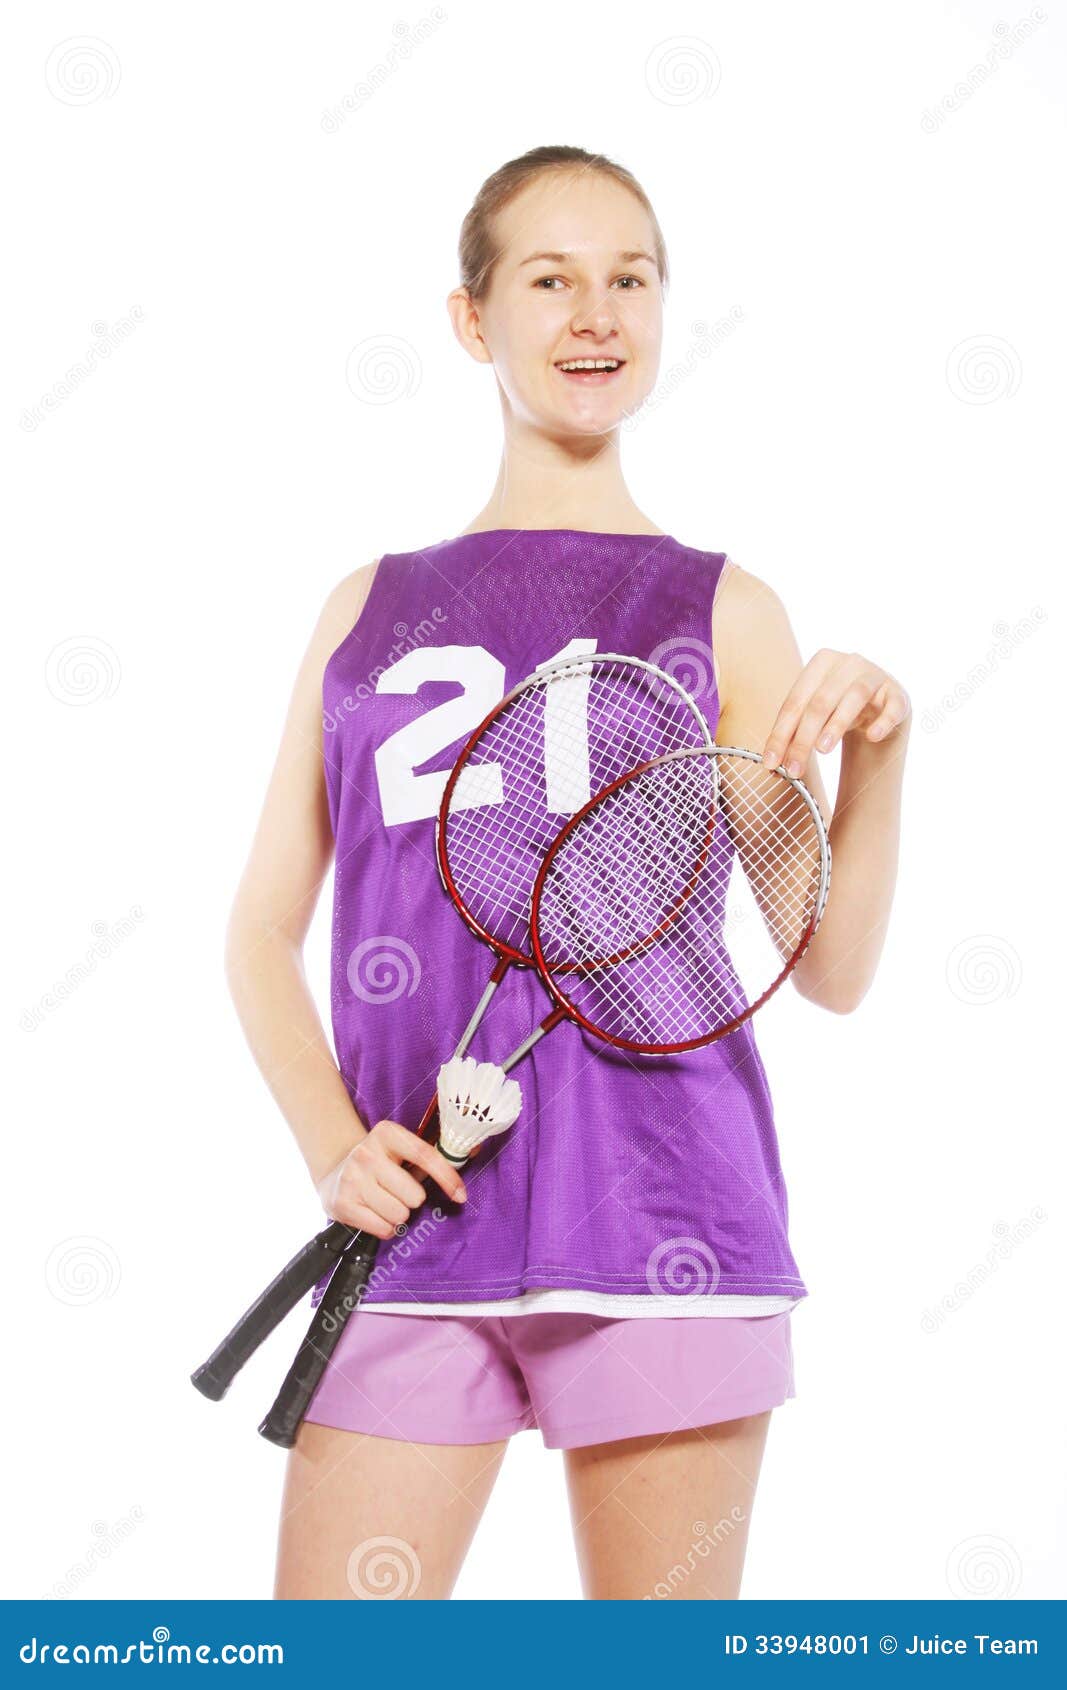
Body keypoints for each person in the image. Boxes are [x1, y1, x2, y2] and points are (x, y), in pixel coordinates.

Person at [224, 145, 910, 1601]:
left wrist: (887, 754)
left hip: (673, 1223)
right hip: (419, 1230)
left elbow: (830, 969)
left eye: (630, 279)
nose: (596, 313)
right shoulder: (368, 603)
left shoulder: (729, 608)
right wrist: (330, 1143)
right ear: (474, 319)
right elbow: (257, 928)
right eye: (551, 279)